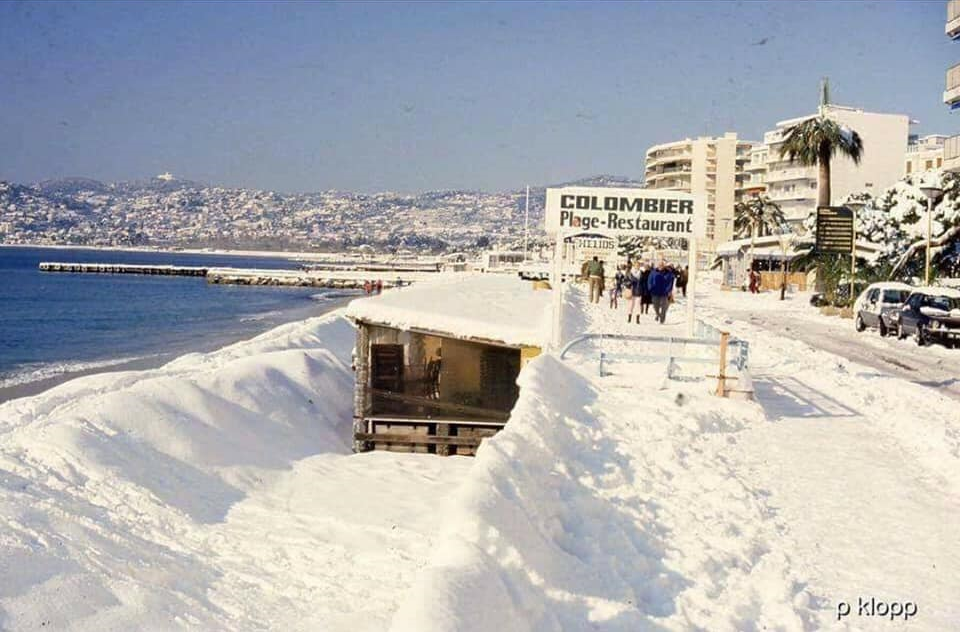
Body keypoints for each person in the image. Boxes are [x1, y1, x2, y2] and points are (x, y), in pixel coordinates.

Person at [648, 260, 676, 324]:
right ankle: (658, 314)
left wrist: (669, 290)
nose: (660, 266)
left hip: (664, 293)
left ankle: (662, 320)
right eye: (659, 265)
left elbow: (671, 282)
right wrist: (650, 288)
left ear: (664, 266)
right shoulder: (653, 272)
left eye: (662, 265)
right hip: (655, 292)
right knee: (655, 306)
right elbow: (650, 281)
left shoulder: (668, 273)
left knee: (664, 306)